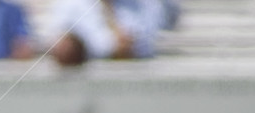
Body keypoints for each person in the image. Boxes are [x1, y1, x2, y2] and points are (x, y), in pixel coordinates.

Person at [48, 0, 179, 66]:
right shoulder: (70, 4)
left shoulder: (142, 4)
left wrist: (129, 47)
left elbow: (149, 41)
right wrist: (111, 48)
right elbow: (63, 46)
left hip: (136, 77)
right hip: (88, 81)